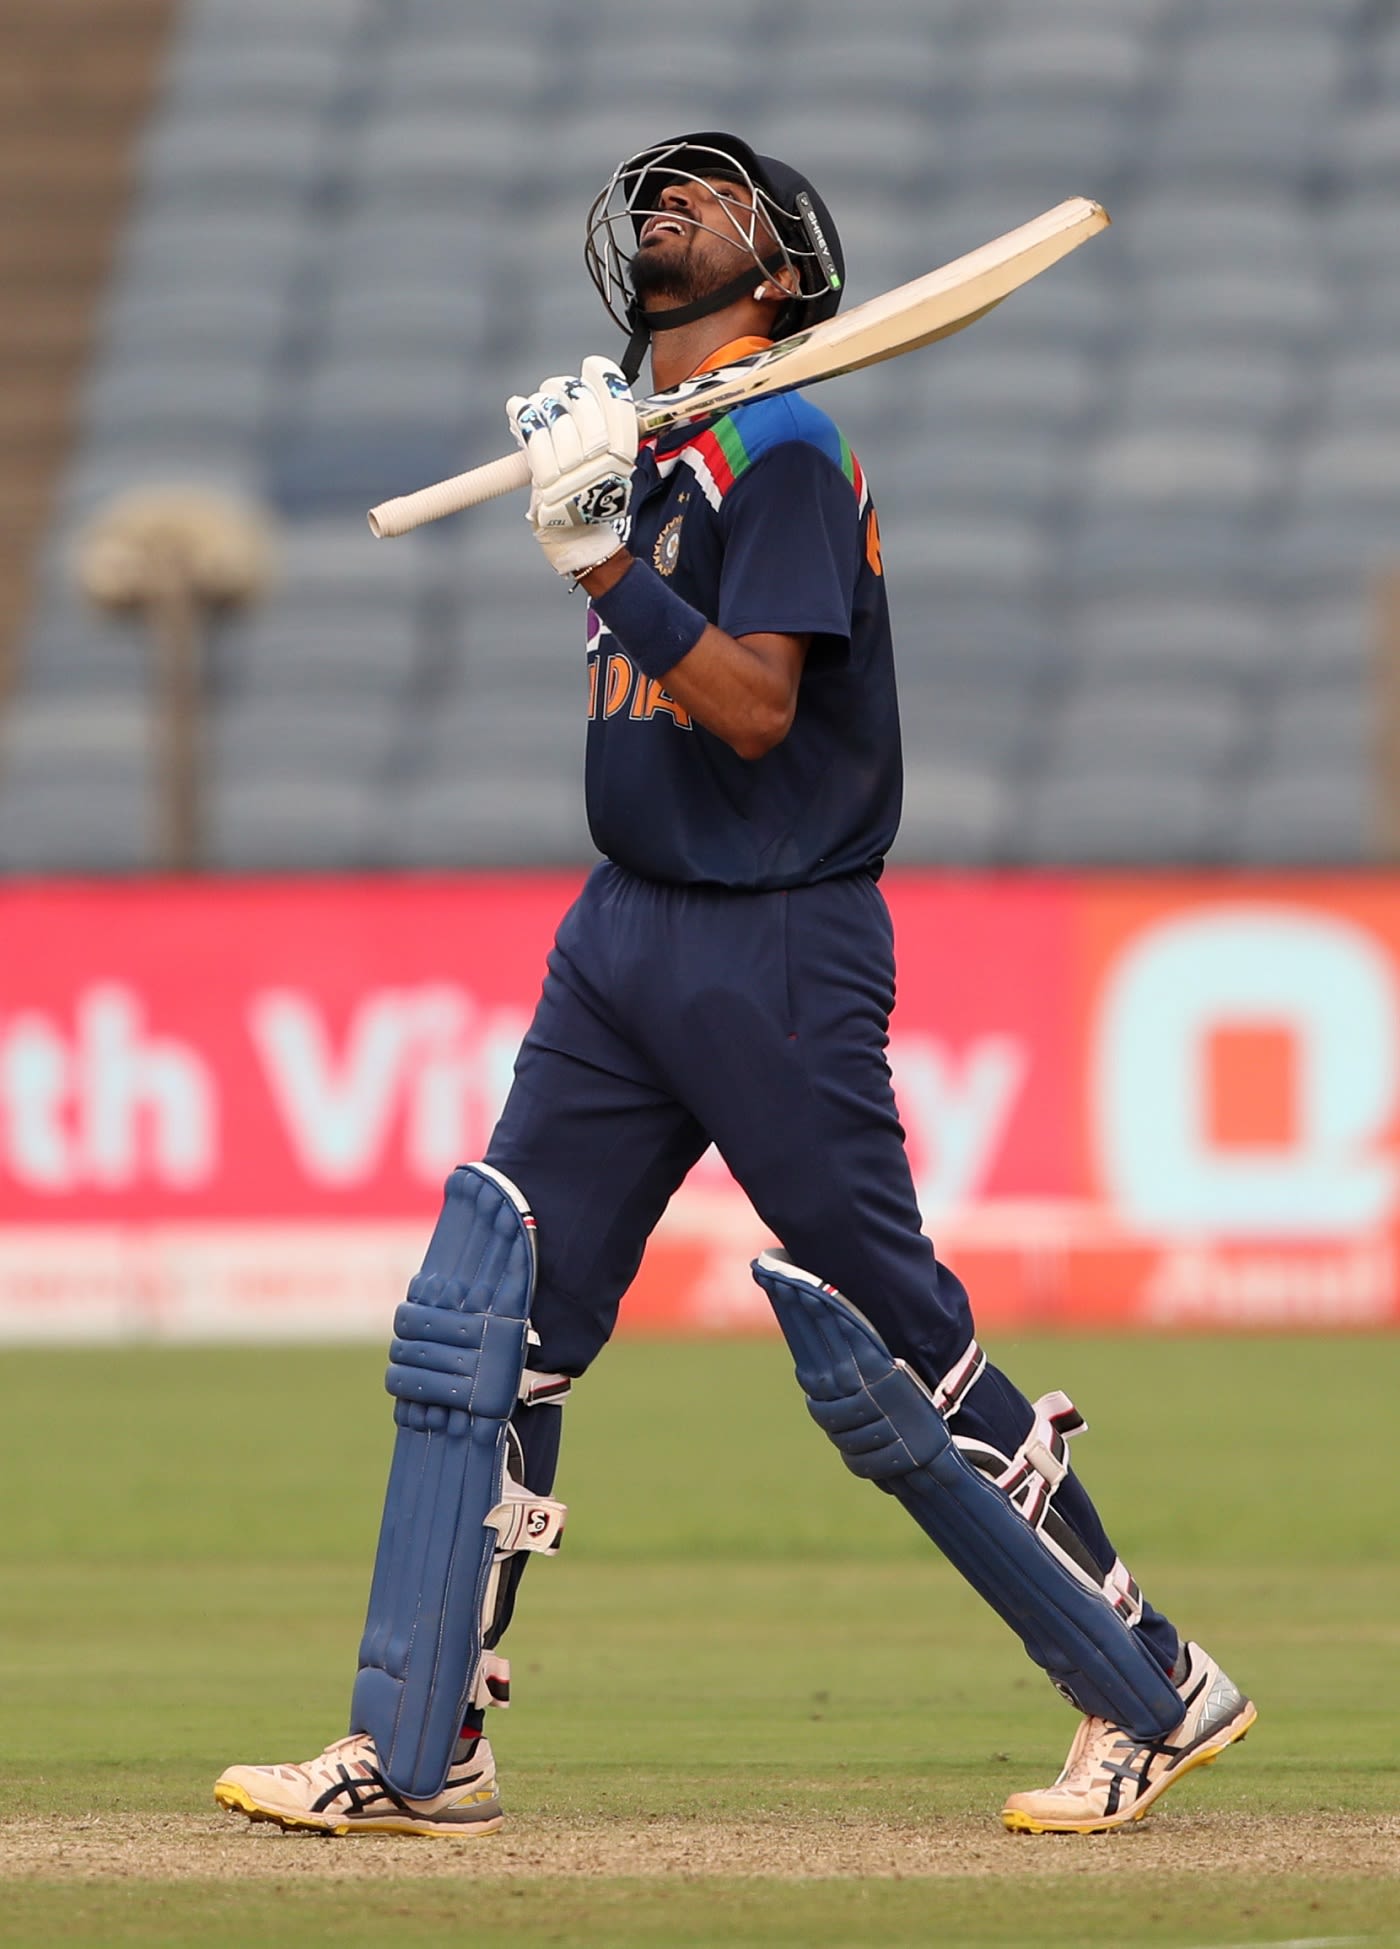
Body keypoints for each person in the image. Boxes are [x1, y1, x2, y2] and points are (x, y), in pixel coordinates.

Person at [214, 131, 1255, 1842]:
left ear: (783, 267)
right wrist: (606, 516)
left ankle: (1150, 1676)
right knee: (490, 1327)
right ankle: (421, 1740)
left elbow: (761, 709)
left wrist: (602, 568)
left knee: (894, 1341)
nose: (668, 200)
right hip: (622, 932)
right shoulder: (643, 453)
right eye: (657, 190)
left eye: (712, 191)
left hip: (775, 933)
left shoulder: (785, 448)